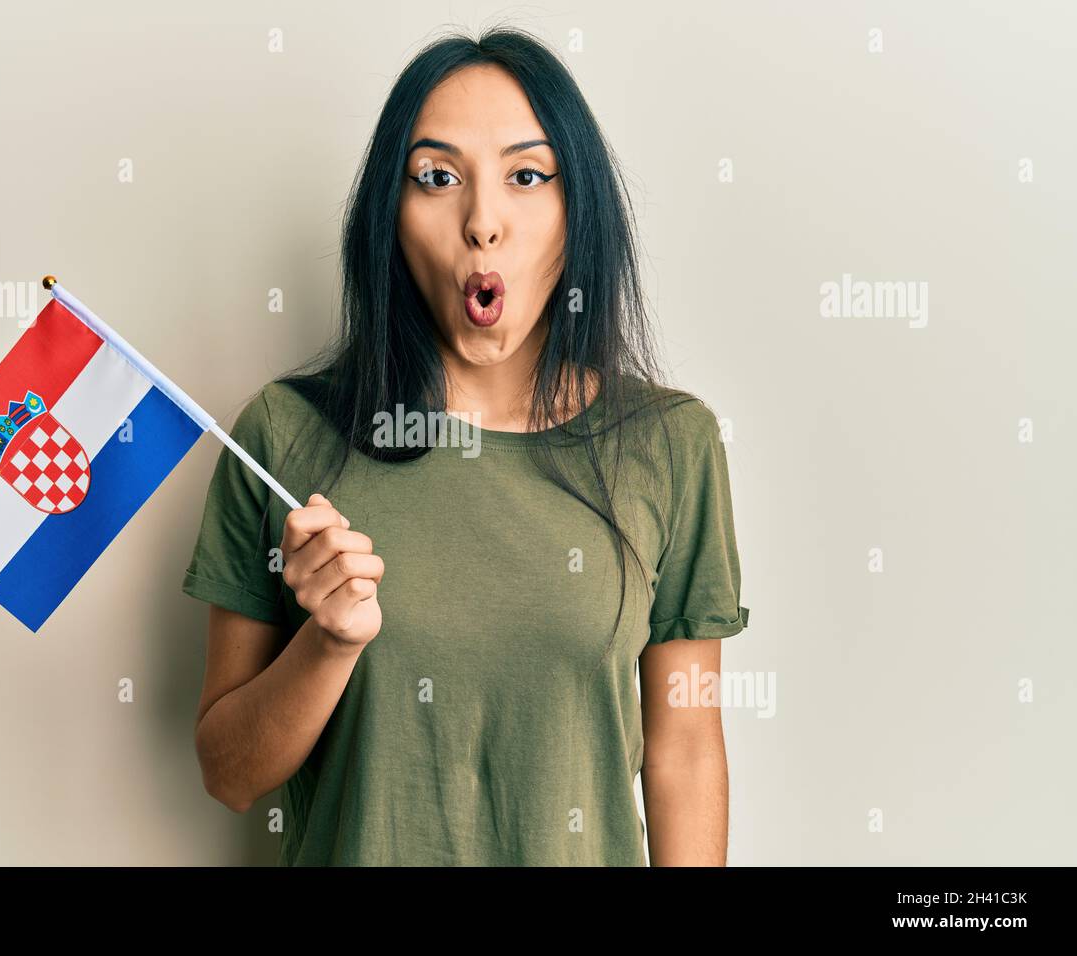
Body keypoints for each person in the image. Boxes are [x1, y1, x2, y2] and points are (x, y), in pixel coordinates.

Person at [182, 26, 751, 866]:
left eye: (527, 176)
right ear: (391, 214)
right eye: (438, 178)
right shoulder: (282, 435)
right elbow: (230, 775)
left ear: (577, 210)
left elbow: (687, 750)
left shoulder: (672, 446)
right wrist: (328, 643)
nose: (483, 221)